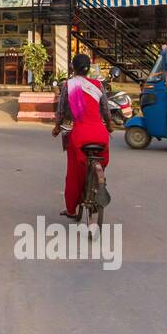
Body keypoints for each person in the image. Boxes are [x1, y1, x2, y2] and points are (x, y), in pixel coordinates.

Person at [51, 54, 114, 220]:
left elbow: (61, 110)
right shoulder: (98, 85)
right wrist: (109, 125)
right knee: (100, 160)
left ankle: (71, 209)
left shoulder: (68, 85)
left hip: (80, 135)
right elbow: (106, 110)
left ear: (73, 68)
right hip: (100, 134)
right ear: (89, 68)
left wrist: (57, 127)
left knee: (74, 174)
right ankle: (97, 183)